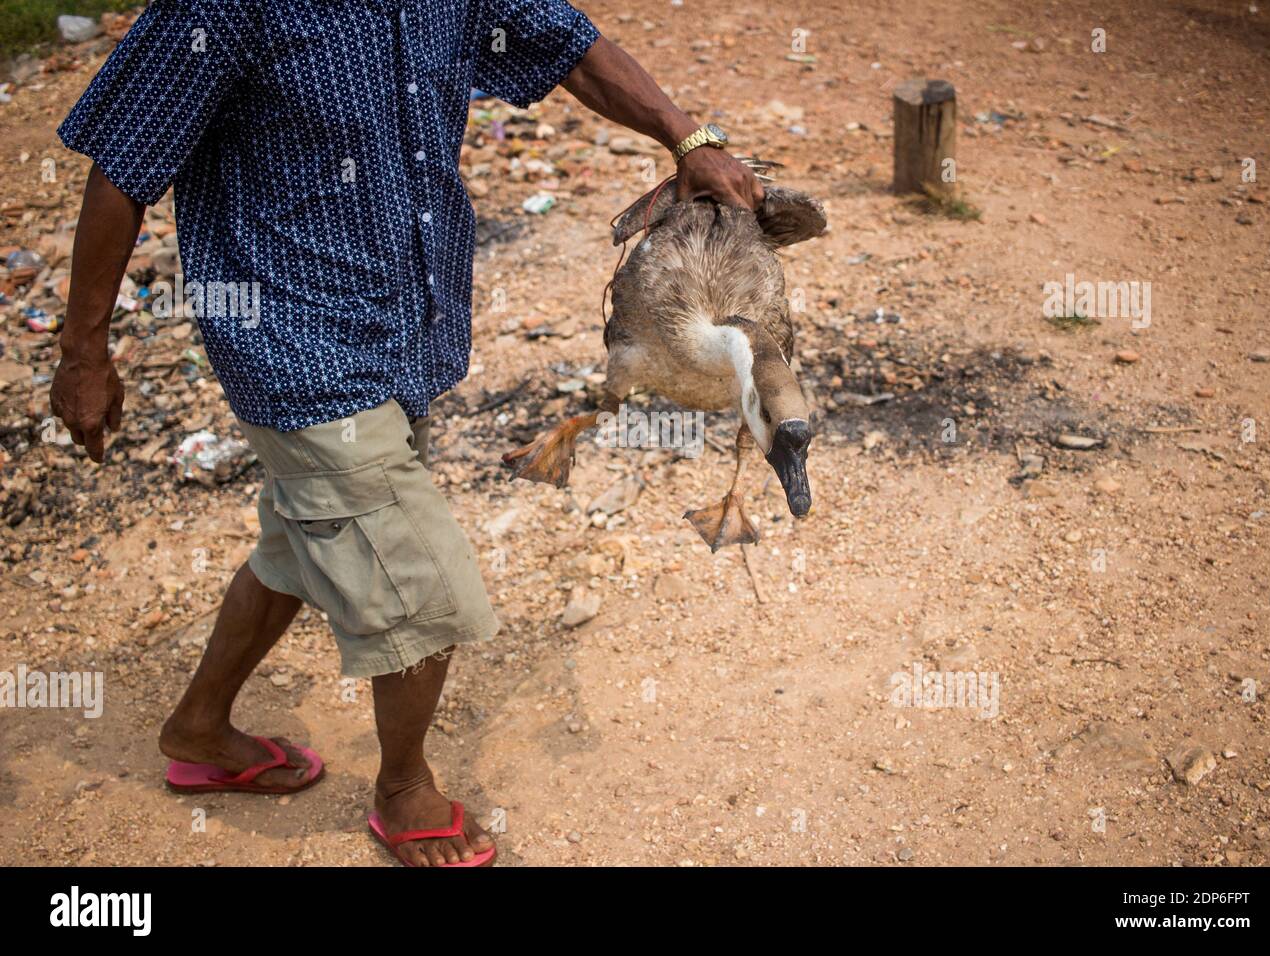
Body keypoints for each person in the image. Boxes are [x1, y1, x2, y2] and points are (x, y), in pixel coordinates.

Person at [50, 0, 762, 868]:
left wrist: (688, 140)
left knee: (302, 541)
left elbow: (568, 46)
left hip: (404, 327)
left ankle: (198, 726)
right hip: (292, 341)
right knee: (418, 580)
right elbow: (123, 163)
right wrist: (84, 350)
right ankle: (403, 789)